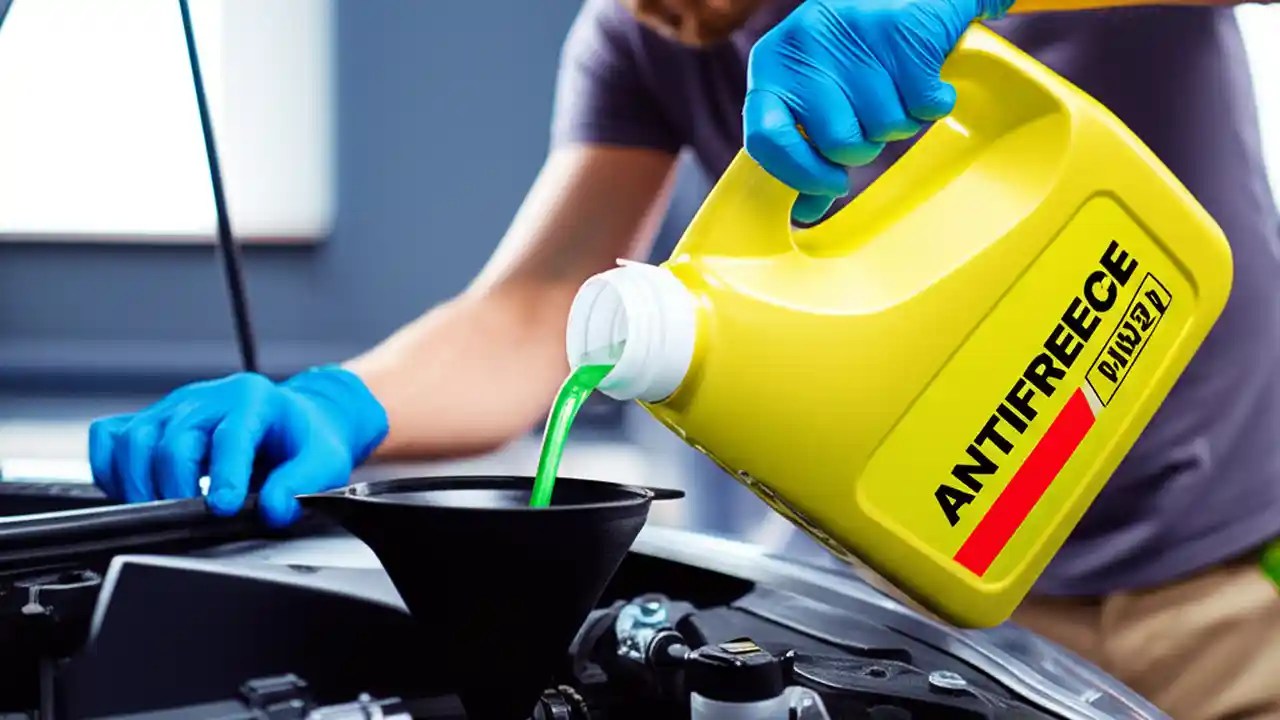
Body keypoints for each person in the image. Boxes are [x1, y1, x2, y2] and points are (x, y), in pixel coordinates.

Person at [88, 0, 1280, 716]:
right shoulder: (648, 29)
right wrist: (343, 401)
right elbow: (540, 315)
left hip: (1225, 588)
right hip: (911, 593)